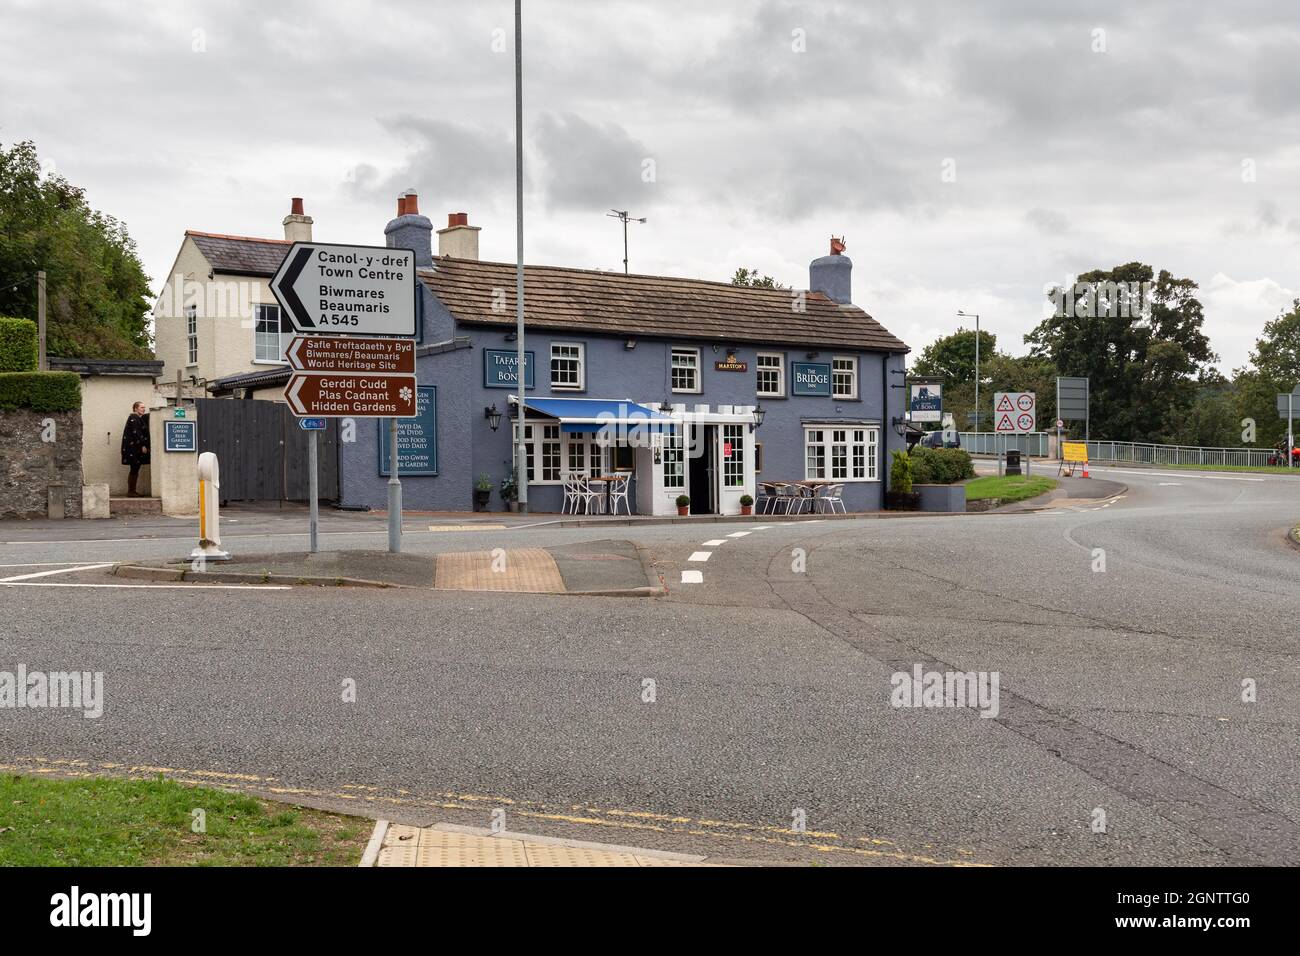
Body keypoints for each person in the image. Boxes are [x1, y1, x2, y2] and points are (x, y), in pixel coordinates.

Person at [121, 401, 150, 497]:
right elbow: (136, 433)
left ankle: (132, 491)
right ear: (136, 408)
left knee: (135, 469)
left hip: (134, 448)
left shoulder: (138, 418)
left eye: (144, 407)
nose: (143, 409)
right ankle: (131, 491)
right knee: (134, 469)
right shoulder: (134, 418)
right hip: (133, 449)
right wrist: (143, 445)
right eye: (141, 407)